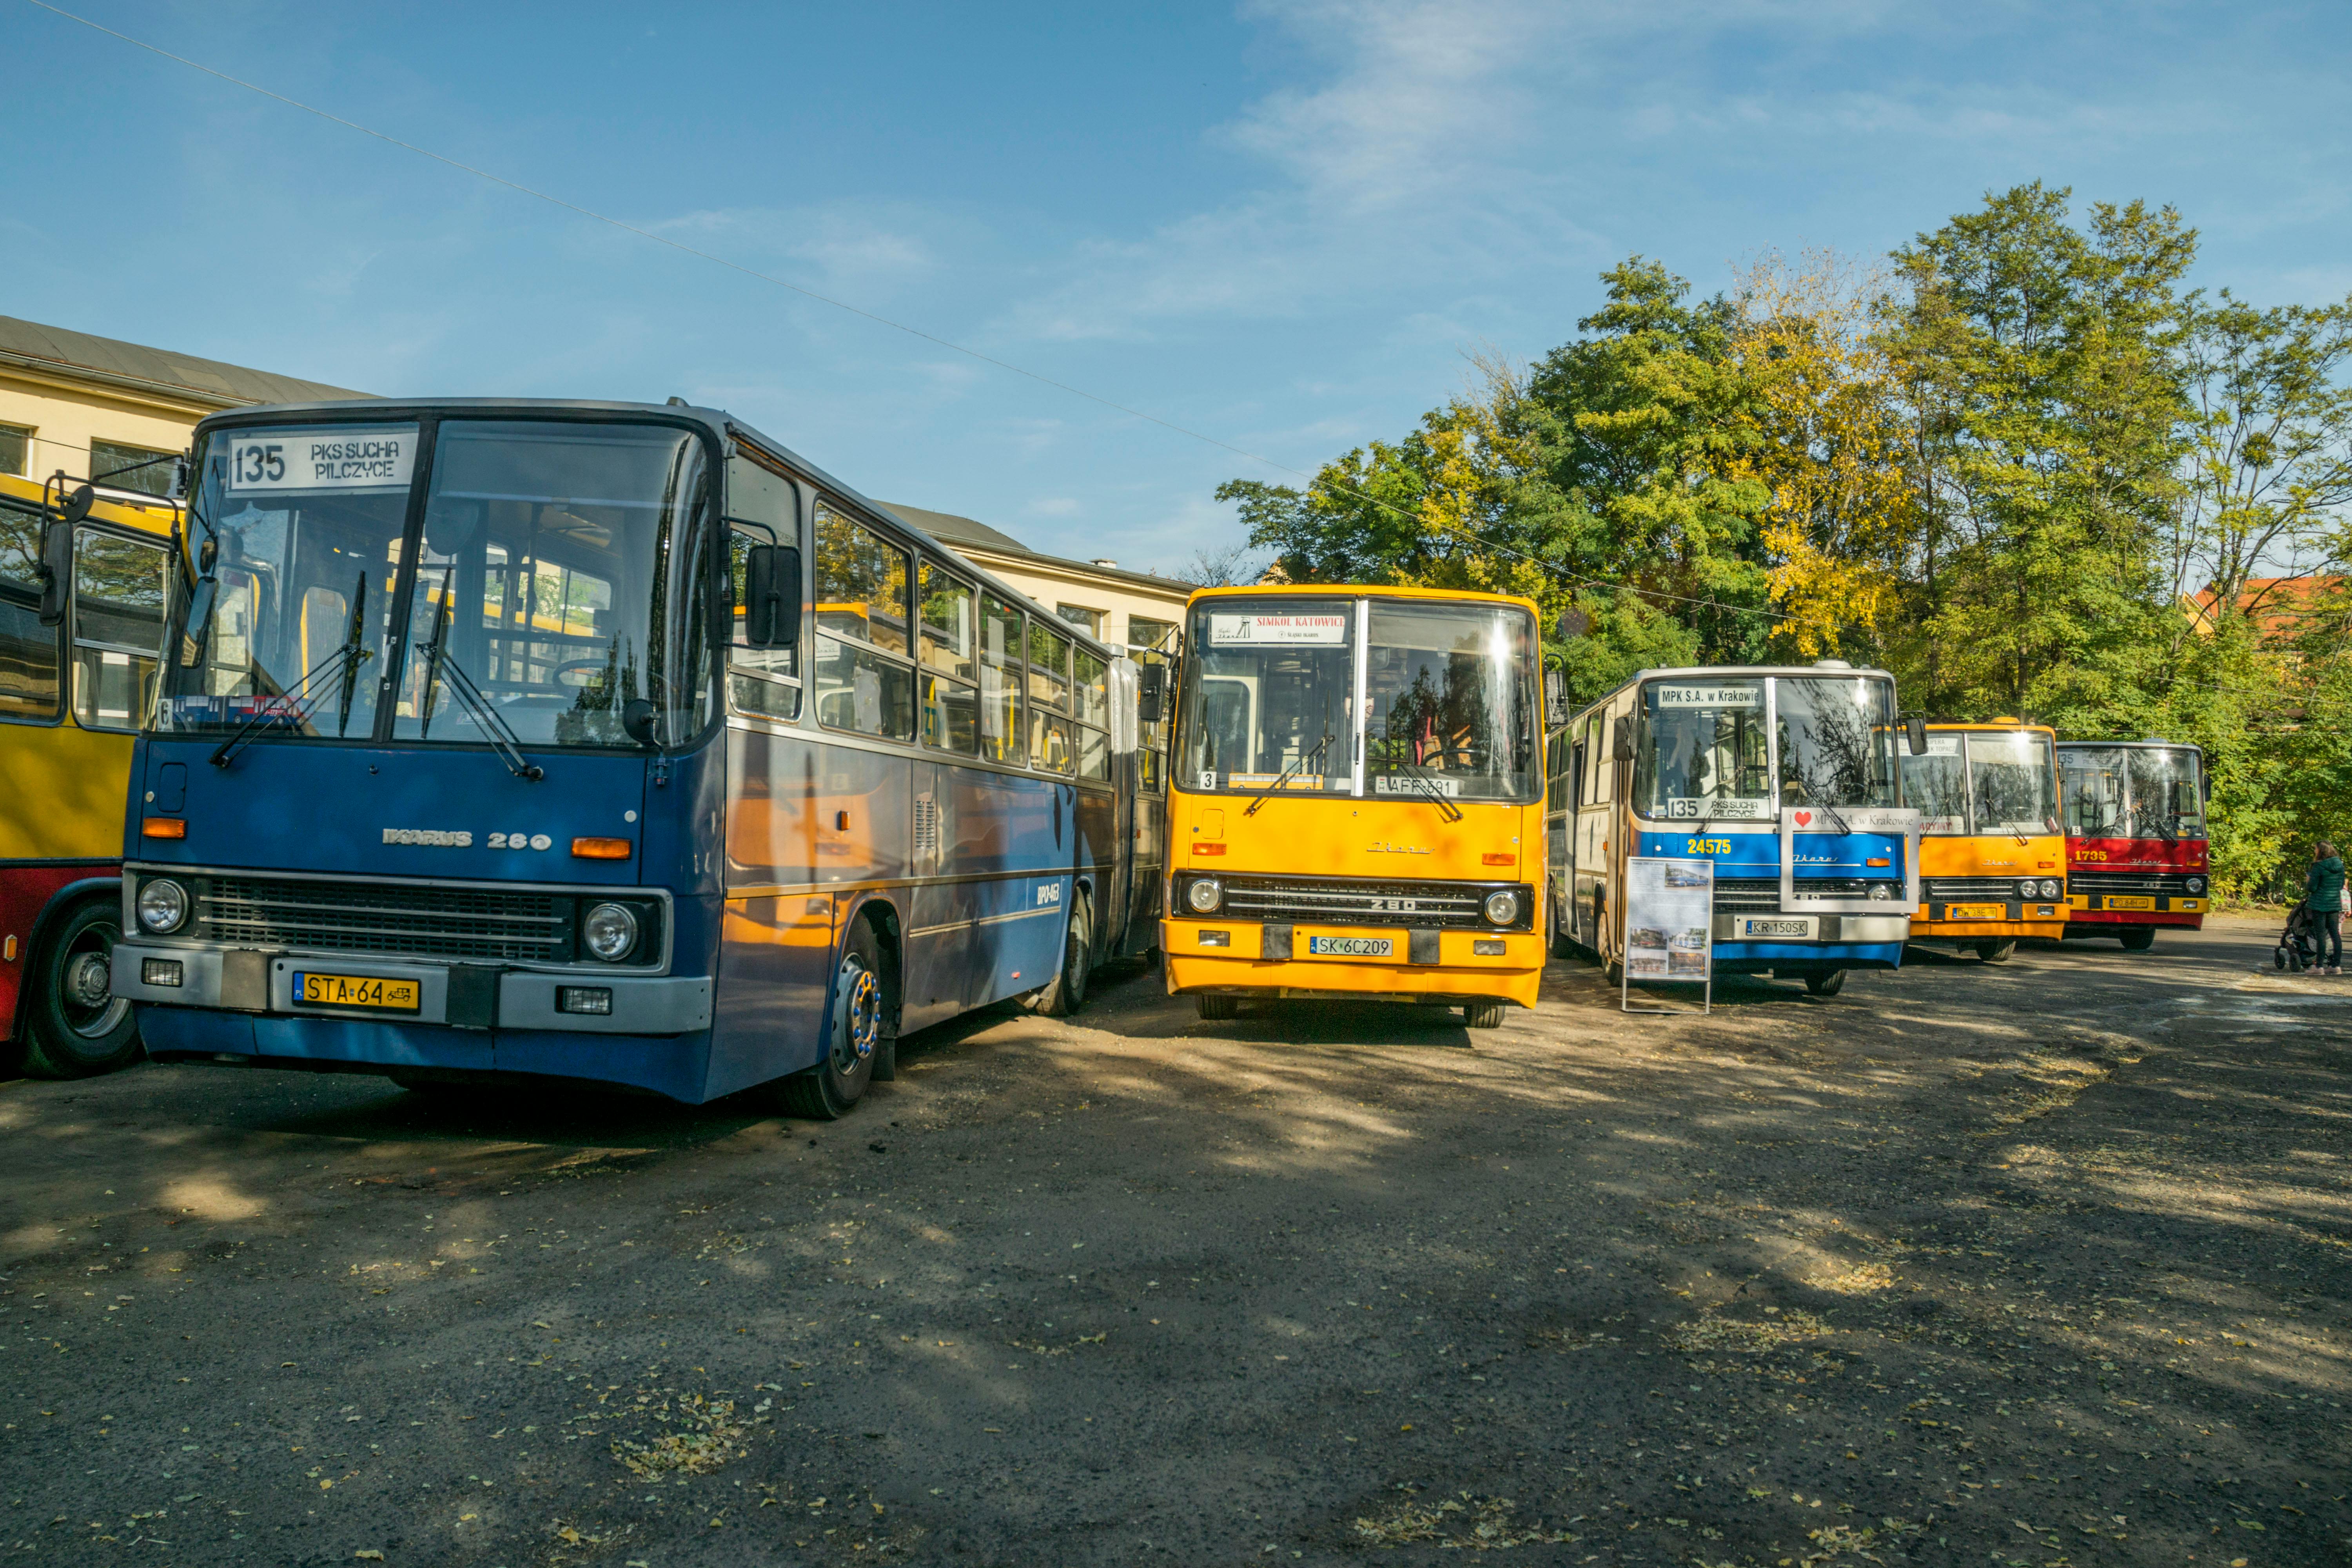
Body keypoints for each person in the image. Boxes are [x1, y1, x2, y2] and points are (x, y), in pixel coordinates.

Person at [2307, 841, 2345, 975]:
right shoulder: (2340, 865)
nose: (2315, 852)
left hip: (2319, 904)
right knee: (2335, 934)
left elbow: (2312, 887)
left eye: (2316, 849)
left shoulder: (2319, 866)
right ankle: (2336, 966)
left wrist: (2308, 881)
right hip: (2334, 903)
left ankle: (2319, 967)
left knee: (2320, 935)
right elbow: (2341, 885)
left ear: (2321, 851)